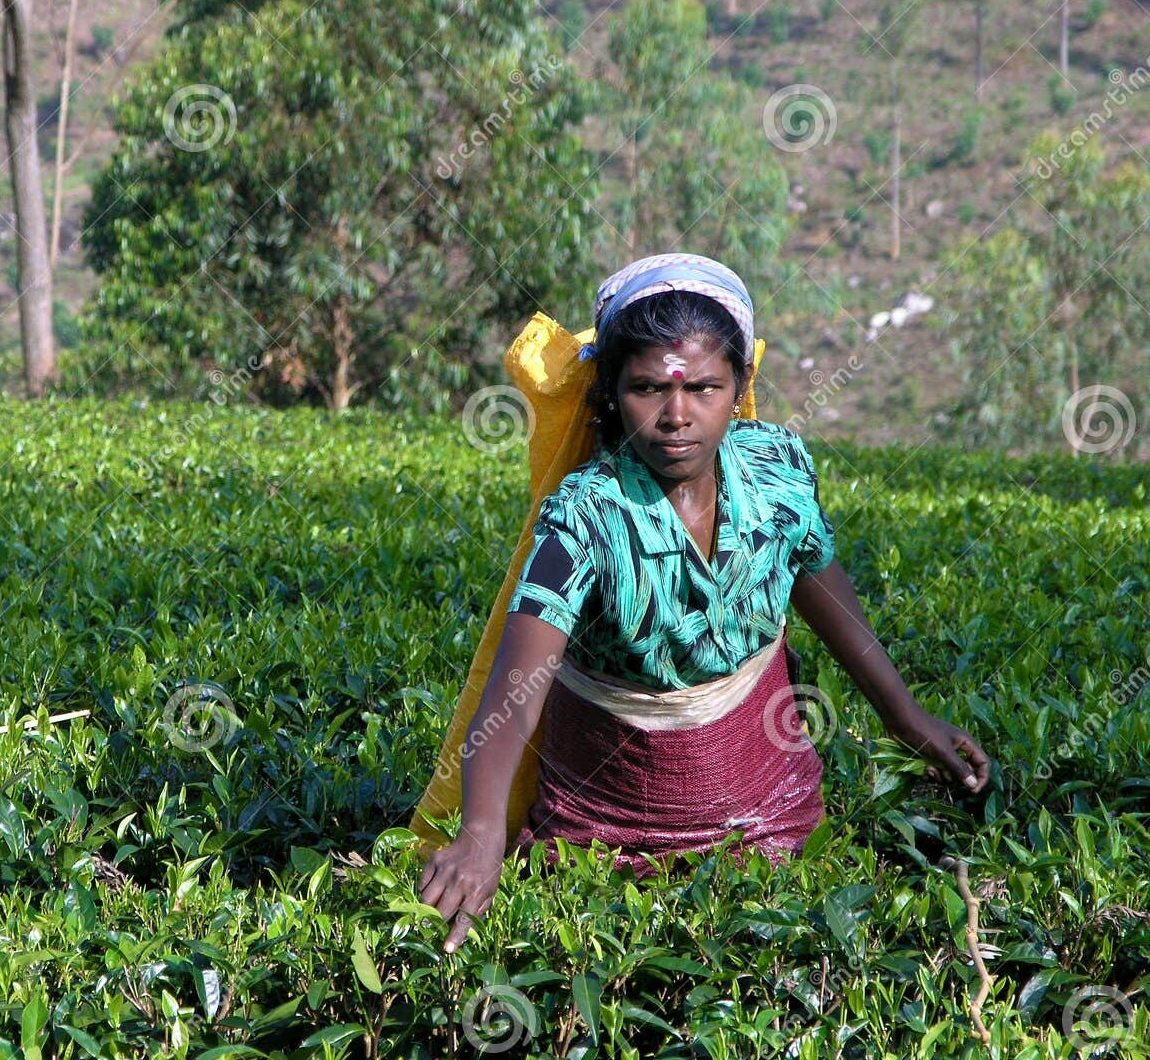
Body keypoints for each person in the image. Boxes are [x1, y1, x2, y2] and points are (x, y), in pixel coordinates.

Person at [414, 253, 990, 952]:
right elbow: (518, 686)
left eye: (706, 388)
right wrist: (480, 833)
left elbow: (825, 595)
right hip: (600, 843)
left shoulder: (776, 475)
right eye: (648, 389)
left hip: (773, 821)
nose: (676, 416)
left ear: (742, 382)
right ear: (609, 392)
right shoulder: (587, 517)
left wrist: (905, 716)